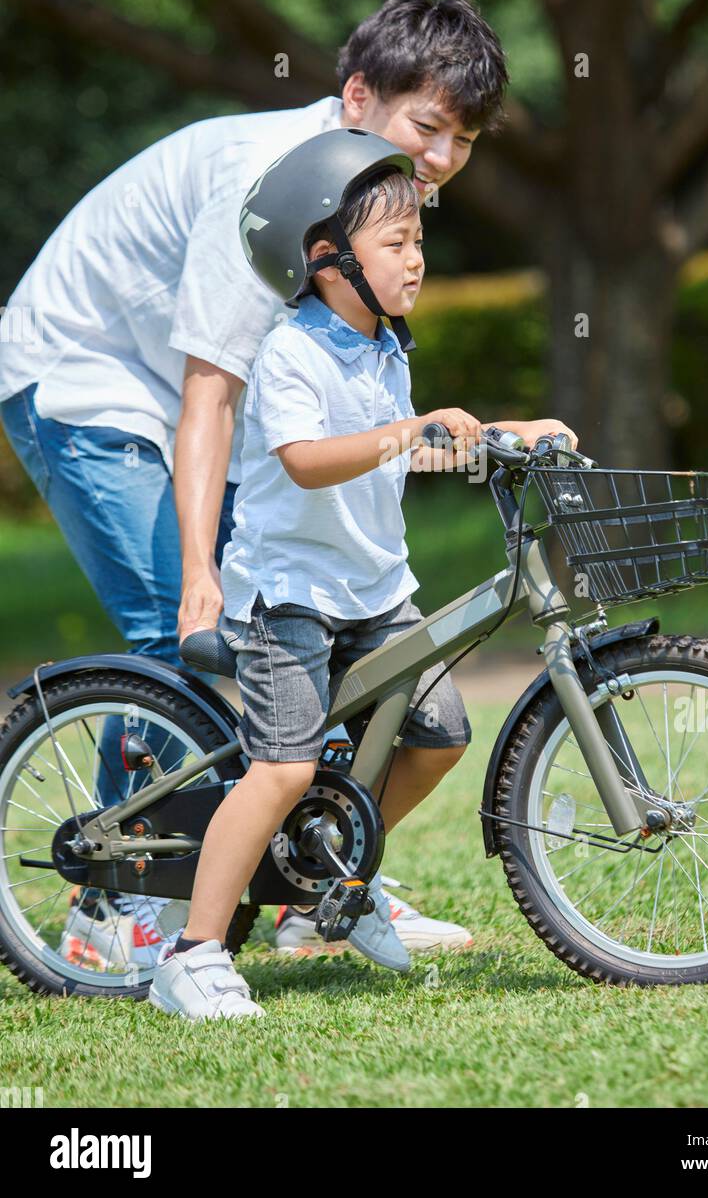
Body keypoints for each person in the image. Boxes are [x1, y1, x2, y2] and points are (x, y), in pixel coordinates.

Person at [0, 0, 509, 966]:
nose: (443, 160)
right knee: (175, 636)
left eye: (465, 139)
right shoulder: (271, 188)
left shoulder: (368, 202)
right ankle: (118, 910)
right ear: (357, 94)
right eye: (427, 128)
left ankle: (316, 885)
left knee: (322, 645)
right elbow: (209, 394)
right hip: (87, 375)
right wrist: (200, 574)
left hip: (187, 396)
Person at [149, 130, 578, 1018]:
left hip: (374, 589)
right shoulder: (291, 351)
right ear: (328, 259)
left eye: (419, 241)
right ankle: (191, 956)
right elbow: (306, 459)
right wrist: (406, 432)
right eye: (397, 245)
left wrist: (501, 435)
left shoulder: (386, 346)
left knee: (439, 733)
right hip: (290, 597)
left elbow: (399, 455)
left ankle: (330, 885)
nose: (417, 260)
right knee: (282, 770)